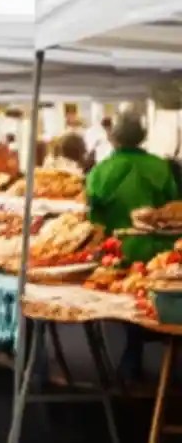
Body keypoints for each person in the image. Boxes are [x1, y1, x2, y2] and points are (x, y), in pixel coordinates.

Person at [86, 111, 180, 382]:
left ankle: (132, 356)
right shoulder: (159, 167)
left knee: (130, 306)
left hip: (122, 249)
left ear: (113, 138)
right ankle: (170, 361)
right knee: (165, 306)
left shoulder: (102, 170)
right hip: (164, 250)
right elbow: (172, 204)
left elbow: (93, 212)